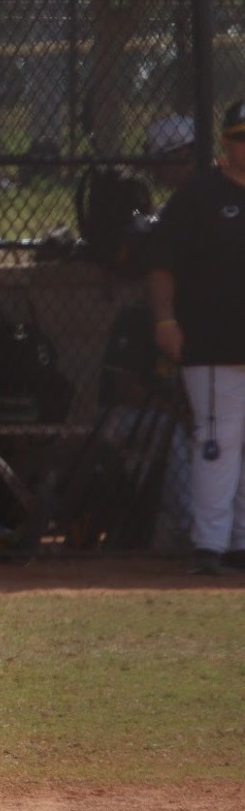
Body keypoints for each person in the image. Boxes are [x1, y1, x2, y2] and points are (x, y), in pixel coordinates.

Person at [147, 99, 245, 575]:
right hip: (211, 343)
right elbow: (161, 264)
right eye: (241, 138)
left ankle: (240, 543)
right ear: (225, 142)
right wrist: (165, 320)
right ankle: (210, 546)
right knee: (218, 442)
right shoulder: (198, 195)